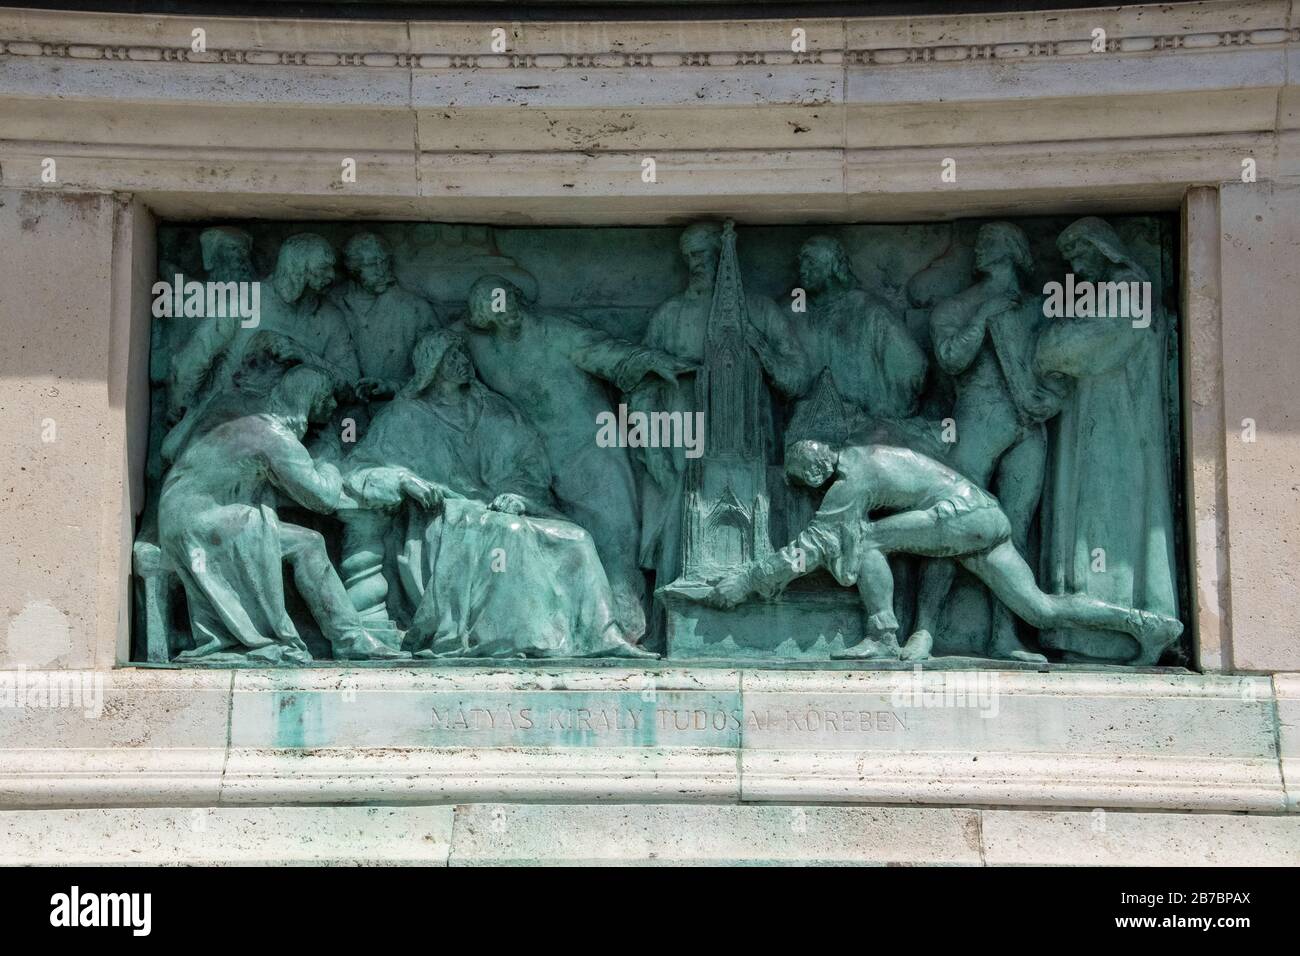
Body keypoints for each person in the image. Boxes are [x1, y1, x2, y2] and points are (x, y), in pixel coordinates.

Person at [702, 439, 1183, 664]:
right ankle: (1146, 624)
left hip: (963, 518)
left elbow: (814, 545)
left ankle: (883, 635)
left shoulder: (852, 481)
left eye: (802, 481)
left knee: (864, 538)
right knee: (1039, 610)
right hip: (983, 517)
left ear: (812, 470)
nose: (806, 489)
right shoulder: (867, 457)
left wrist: (746, 580)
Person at [344, 330, 654, 659]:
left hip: (498, 512)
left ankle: (603, 638)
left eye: (463, 354)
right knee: (512, 534)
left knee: (575, 538)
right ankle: (526, 640)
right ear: (432, 366)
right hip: (442, 525)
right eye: (452, 356)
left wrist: (518, 496)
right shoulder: (403, 417)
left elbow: (528, 466)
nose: (463, 362)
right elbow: (356, 470)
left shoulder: (492, 410)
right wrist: (405, 480)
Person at [461, 274, 691, 639]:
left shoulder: (556, 332)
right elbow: (441, 362)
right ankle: (574, 630)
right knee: (563, 544)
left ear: (519, 298)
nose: (507, 314)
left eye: (508, 303)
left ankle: (627, 631)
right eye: (495, 310)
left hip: (594, 449)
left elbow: (608, 353)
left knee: (617, 537)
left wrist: (648, 360)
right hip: (535, 460)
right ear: (483, 319)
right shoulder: (479, 347)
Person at [159, 365, 415, 664]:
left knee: (300, 539)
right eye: (327, 400)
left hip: (177, 514)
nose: (333, 408)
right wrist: (331, 451)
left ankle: (350, 637)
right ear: (308, 401)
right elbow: (324, 498)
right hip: (203, 523)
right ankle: (350, 639)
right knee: (309, 543)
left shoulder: (238, 413)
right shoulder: (274, 436)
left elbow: (173, 449)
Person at [913, 222, 1069, 662]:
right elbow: (951, 359)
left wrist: (1050, 398)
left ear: (1017, 251)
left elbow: (1059, 363)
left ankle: (1004, 636)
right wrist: (983, 317)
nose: (982, 247)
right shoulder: (954, 307)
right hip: (976, 423)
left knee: (1014, 532)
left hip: (1028, 426)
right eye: (980, 241)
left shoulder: (1040, 308)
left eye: (994, 241)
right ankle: (924, 629)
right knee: (948, 523)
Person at [1033, 217, 1180, 663]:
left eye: (1080, 255)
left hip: (1117, 430)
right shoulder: (1102, 294)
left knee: (1106, 520)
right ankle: (1080, 627)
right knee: (1083, 513)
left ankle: (1115, 630)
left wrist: (1045, 346)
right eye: (1070, 259)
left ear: (1103, 249)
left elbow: (1079, 347)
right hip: (1092, 422)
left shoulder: (1128, 290)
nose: (1075, 268)